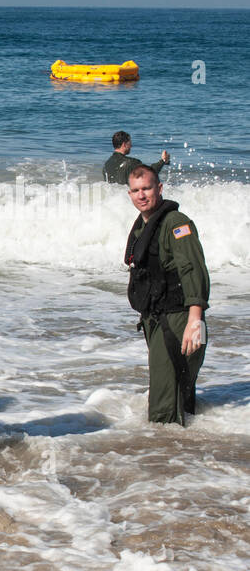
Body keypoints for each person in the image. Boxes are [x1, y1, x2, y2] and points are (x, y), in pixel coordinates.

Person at [123, 165, 209, 424]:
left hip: (179, 321)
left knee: (163, 412)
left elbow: (193, 269)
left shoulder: (176, 223)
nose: (142, 195)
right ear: (129, 194)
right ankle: (185, 455)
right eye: (136, 190)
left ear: (159, 188)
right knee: (177, 398)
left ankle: (161, 458)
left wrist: (195, 320)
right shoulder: (143, 225)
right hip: (158, 320)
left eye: (147, 188)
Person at [103, 130, 169, 184]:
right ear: (124, 144)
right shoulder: (131, 163)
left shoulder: (106, 165)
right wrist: (163, 161)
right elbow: (150, 172)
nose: (131, 146)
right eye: (130, 143)